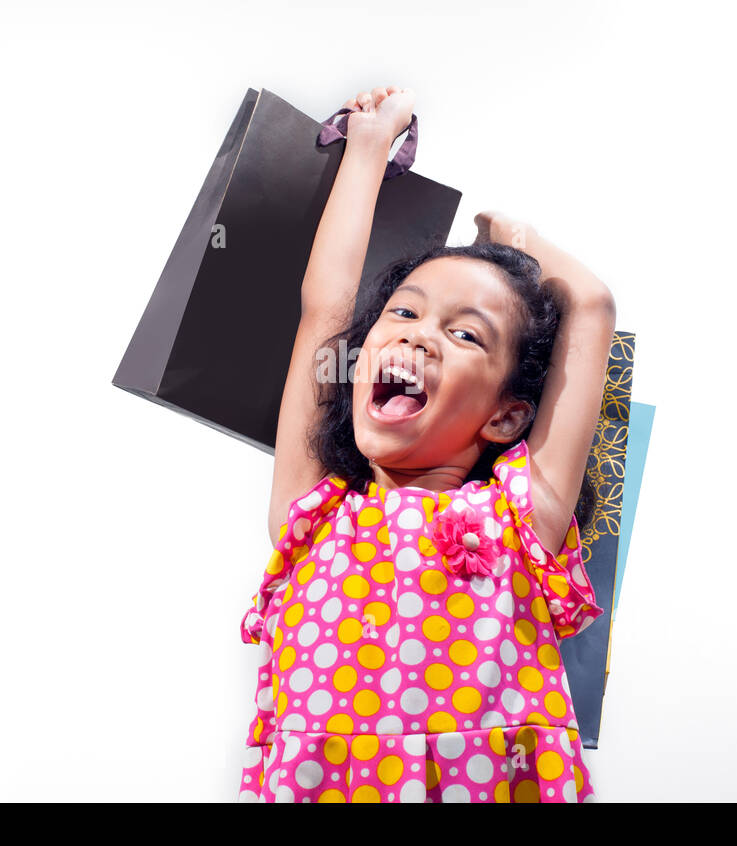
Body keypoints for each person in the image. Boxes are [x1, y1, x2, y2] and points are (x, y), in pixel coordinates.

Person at [237, 85, 617, 802]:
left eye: (465, 332)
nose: (416, 331)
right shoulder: (311, 518)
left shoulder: (520, 521)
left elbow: (590, 304)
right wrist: (368, 147)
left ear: (506, 419)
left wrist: (516, 244)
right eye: (404, 311)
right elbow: (327, 305)